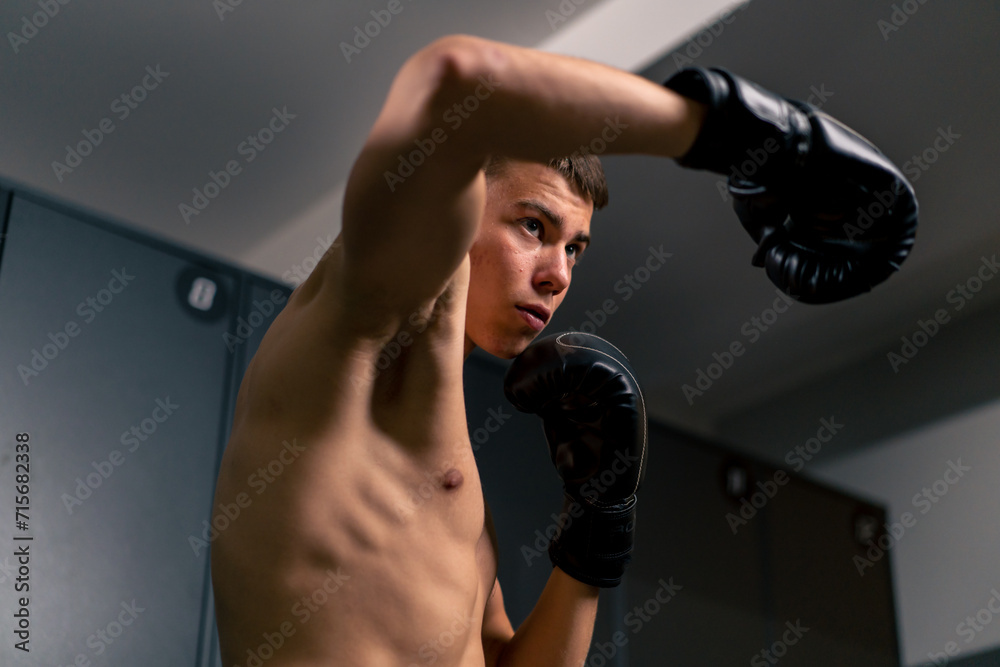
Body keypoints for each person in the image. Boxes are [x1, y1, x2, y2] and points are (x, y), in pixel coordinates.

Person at [210, 32, 915, 667]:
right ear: (456, 206)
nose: (559, 274)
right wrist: (741, 136)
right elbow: (454, 80)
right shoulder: (357, 327)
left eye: (574, 246)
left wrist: (596, 526)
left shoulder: (448, 472)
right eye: (532, 225)